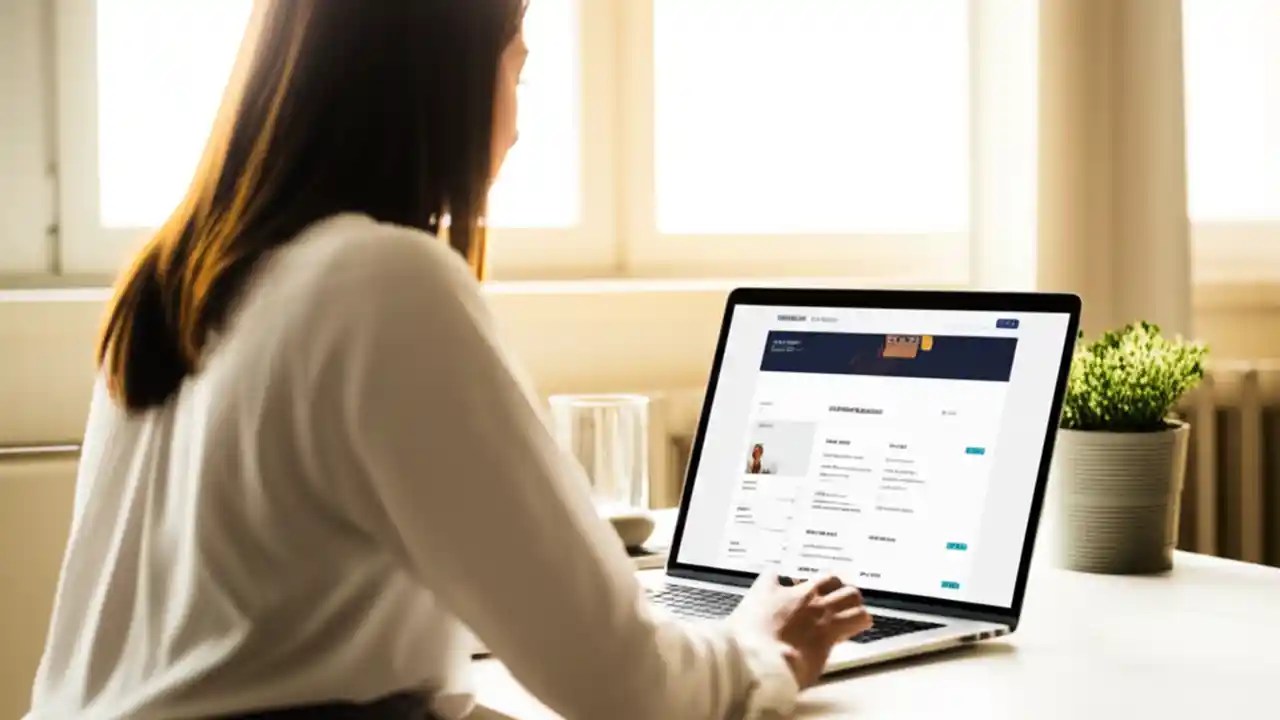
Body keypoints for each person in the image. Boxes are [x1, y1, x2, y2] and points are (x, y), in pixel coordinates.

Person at [26, 2, 872, 718]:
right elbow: (623, 685)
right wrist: (761, 651)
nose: (517, 121)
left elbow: (277, 654)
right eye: (517, 71)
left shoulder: (174, 281)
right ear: (439, 78)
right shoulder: (379, 282)